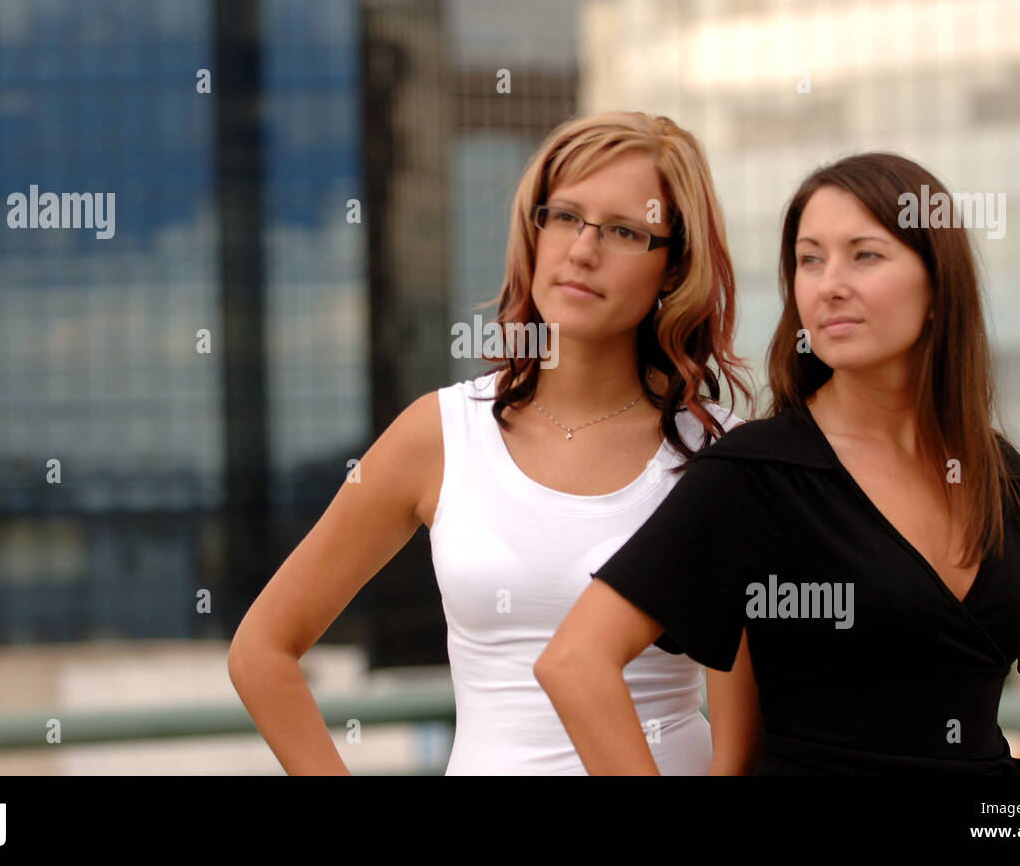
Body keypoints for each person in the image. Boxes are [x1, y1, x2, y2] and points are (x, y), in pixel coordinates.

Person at [536, 151, 1020, 775]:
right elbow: (575, 662)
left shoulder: (996, 472)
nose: (829, 282)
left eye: (864, 254)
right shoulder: (755, 473)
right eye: (810, 259)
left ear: (938, 285)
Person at [228, 111, 756, 774]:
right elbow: (261, 648)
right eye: (563, 216)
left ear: (674, 266)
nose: (582, 249)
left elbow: (740, 745)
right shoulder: (440, 432)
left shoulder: (721, 456)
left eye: (624, 230)